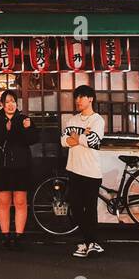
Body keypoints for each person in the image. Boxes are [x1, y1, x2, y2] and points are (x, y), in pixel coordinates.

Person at [0, 90, 38, 250]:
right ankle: (6, 235)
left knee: (21, 201)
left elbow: (33, 139)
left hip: (21, 166)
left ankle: (18, 236)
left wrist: (28, 128)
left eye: (13, 101)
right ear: (1, 104)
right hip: (2, 167)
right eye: (7, 102)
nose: (10, 104)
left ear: (17, 103)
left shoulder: (24, 119)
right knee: (4, 201)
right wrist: (5, 129)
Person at [62, 84, 106, 258]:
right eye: (77, 97)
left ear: (91, 99)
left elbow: (94, 141)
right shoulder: (72, 120)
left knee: (90, 208)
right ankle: (89, 242)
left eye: (81, 97)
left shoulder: (97, 120)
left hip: (91, 171)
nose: (78, 100)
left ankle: (90, 243)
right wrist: (82, 137)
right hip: (73, 169)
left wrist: (76, 138)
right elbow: (64, 141)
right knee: (76, 208)